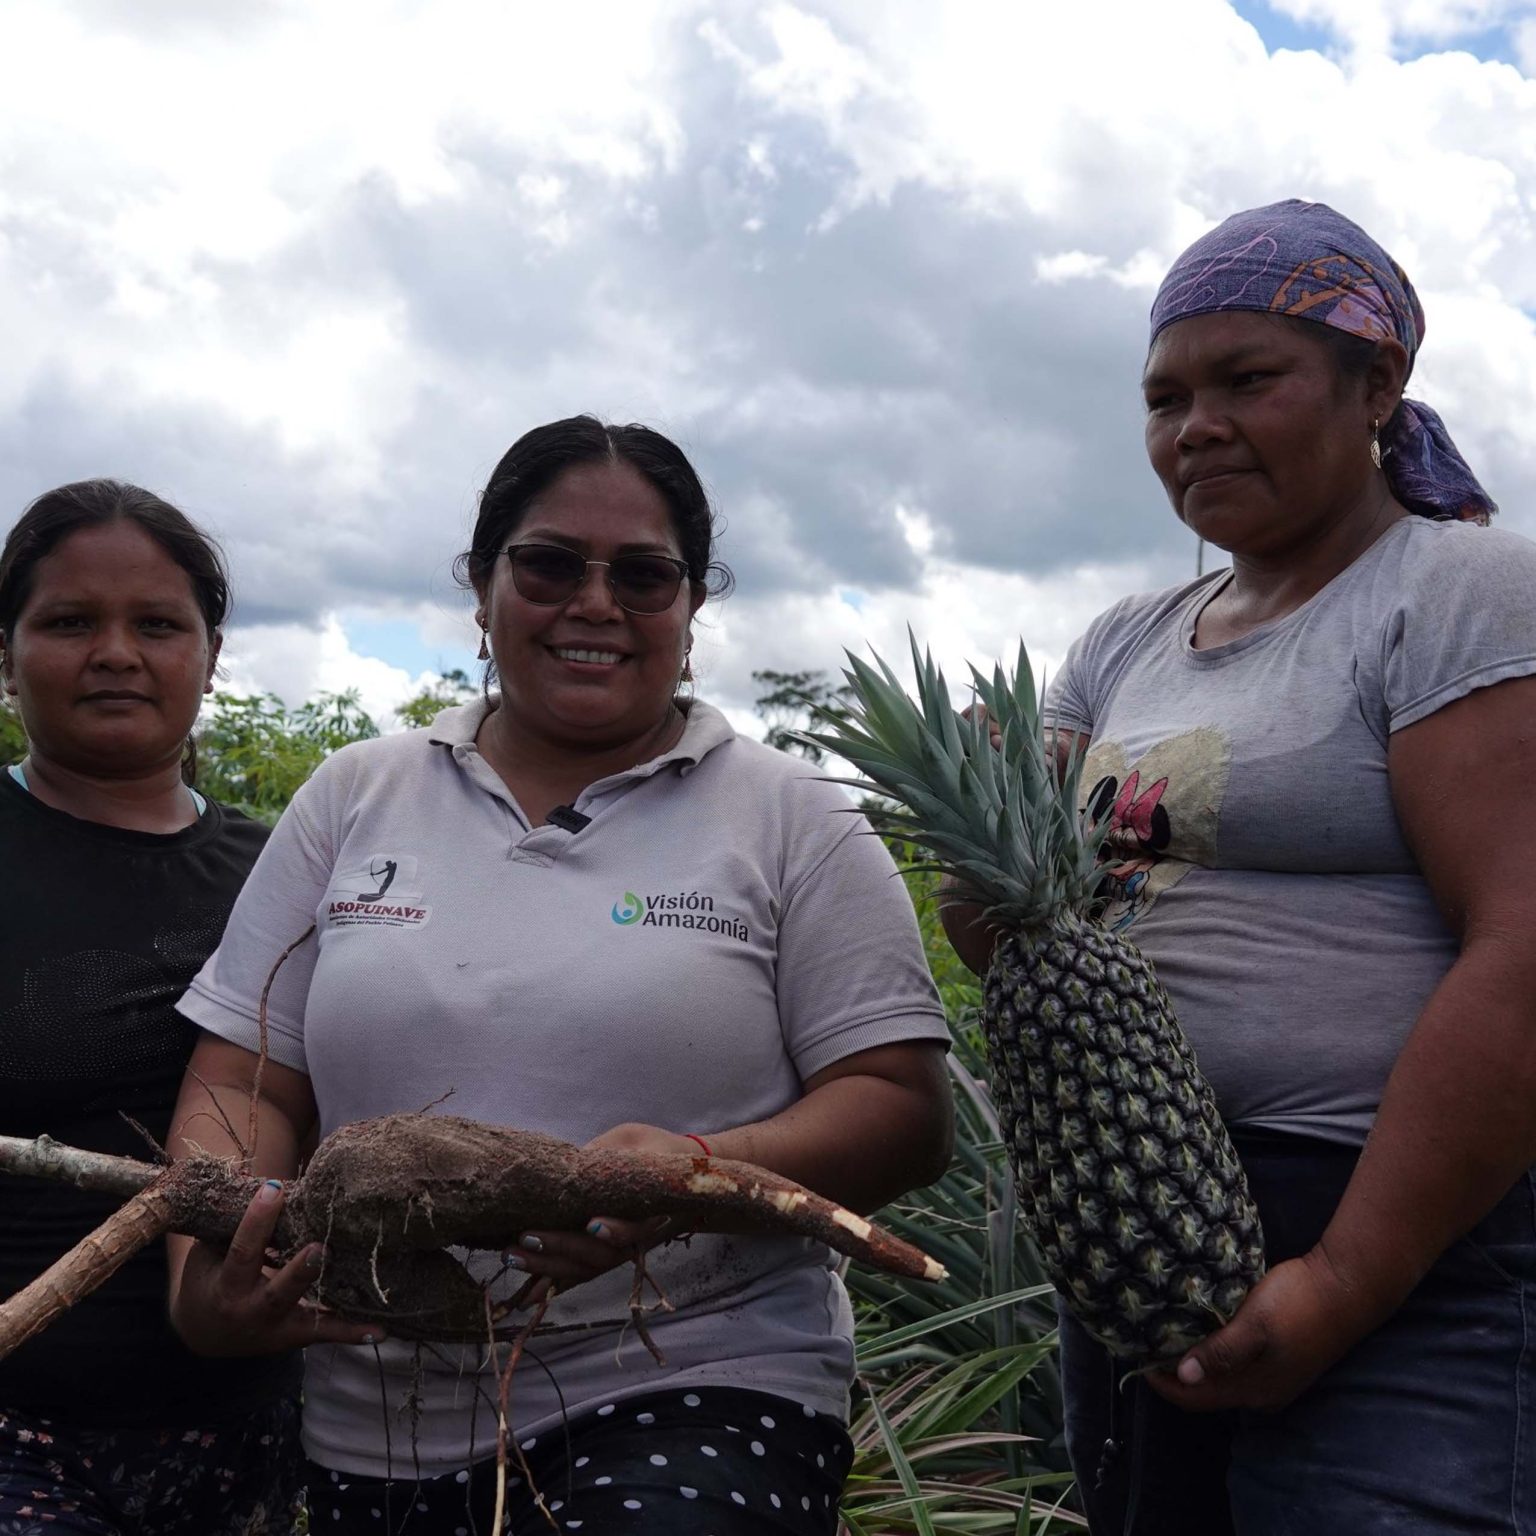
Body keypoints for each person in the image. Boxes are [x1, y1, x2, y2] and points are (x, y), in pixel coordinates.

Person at [167, 416, 955, 1534]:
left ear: (691, 612)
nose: (596, 604)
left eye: (644, 575)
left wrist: (695, 1172)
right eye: (548, 565)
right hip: (372, 1406)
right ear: (482, 589)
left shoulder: (793, 821)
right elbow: (247, 1077)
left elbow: (901, 1112)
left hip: (694, 1376)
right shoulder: (356, 795)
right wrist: (213, 1263)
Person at [947, 199, 1536, 1533]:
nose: (1194, 425)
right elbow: (1005, 936)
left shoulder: (1457, 592)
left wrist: (1340, 1280)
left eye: (1245, 380)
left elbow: (1523, 944)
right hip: (1133, 1228)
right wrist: (978, 836)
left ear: (1377, 384)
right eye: (1165, 397)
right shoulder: (1123, 641)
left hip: (1397, 1243)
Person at [0, 480, 302, 1534]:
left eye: (158, 624)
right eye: (71, 622)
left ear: (211, 657)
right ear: (6, 654)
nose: (117, 652)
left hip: (256, 1427)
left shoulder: (285, 874)